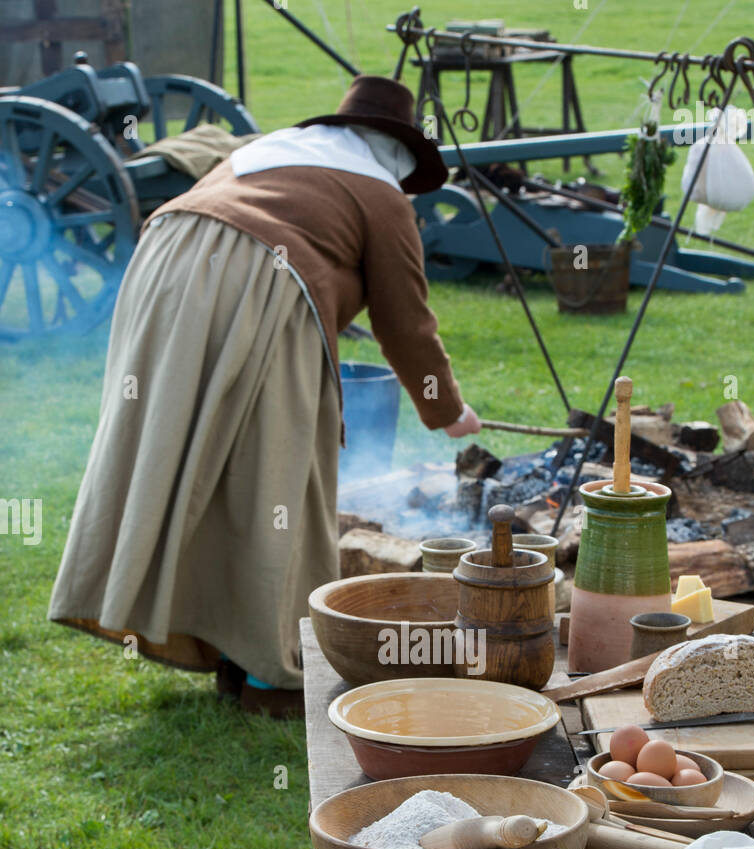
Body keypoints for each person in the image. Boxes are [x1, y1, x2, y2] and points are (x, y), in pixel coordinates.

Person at [49, 76, 481, 718]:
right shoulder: (380, 194)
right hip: (259, 278)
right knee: (282, 475)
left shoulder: (272, 150)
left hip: (163, 267)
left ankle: (222, 646)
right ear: (398, 151)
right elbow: (405, 319)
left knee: (194, 457)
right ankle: (274, 675)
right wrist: (447, 411)